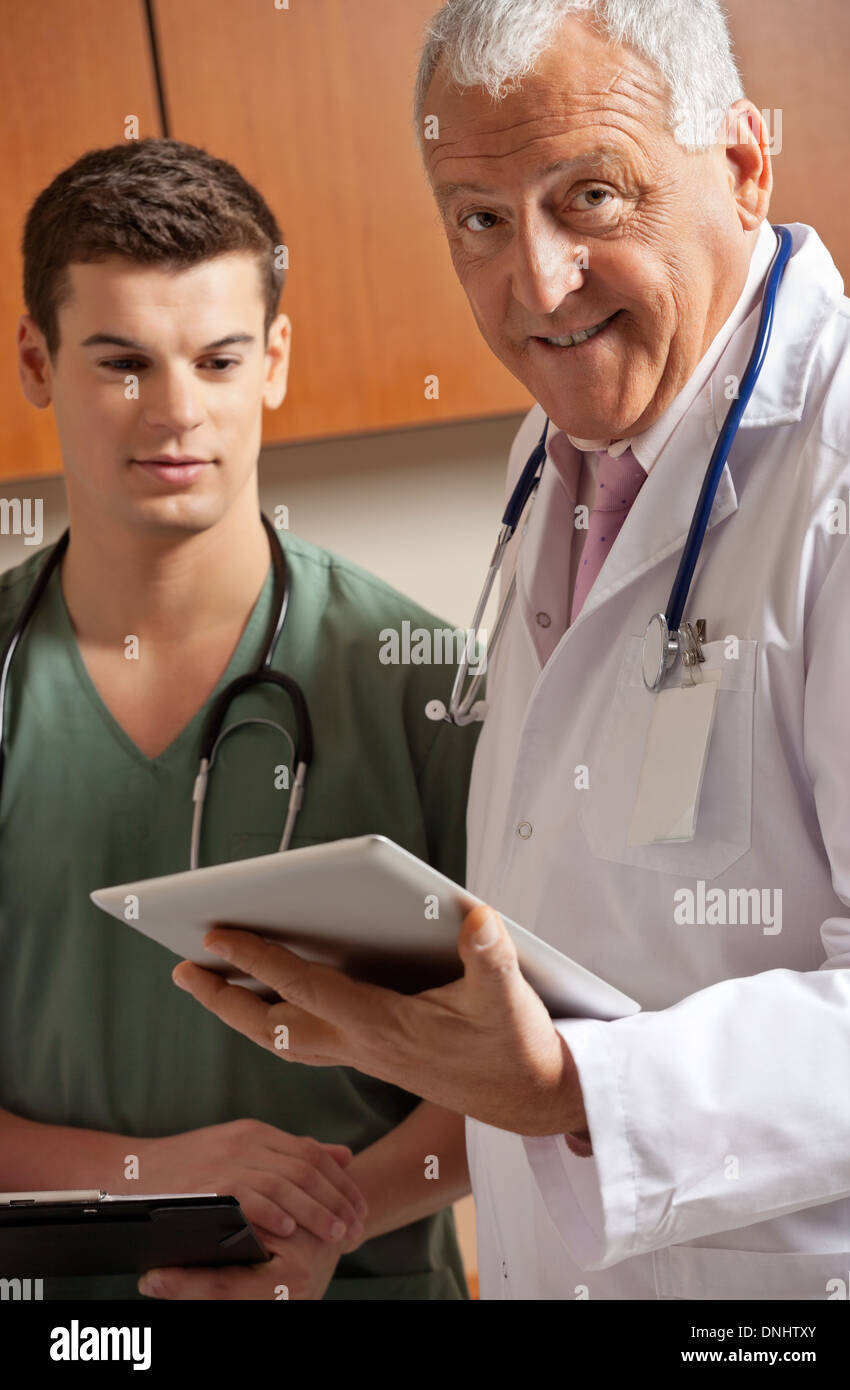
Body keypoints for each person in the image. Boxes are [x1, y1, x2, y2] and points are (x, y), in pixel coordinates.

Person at [166, 0, 850, 1303]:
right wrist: (418, 1062)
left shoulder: (844, 472)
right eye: (478, 218)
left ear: (742, 162)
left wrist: (562, 1085)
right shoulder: (557, 460)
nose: (534, 283)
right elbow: (593, 927)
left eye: (589, 196)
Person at [0, 137, 479, 1300]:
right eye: (122, 363)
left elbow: (533, 1064)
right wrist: (145, 1176)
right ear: (35, 363)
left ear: (273, 360)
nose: (175, 413)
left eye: (216, 360)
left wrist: (324, 1218)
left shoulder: (421, 680)